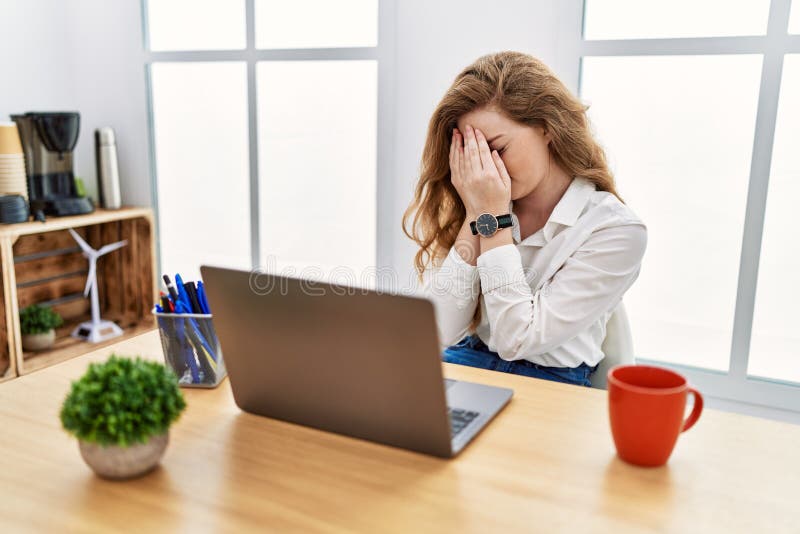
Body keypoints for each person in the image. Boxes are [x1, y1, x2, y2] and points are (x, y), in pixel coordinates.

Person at [402, 51, 647, 387]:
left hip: (550, 382)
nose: (485, 171)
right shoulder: (483, 201)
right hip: (465, 359)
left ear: (547, 127)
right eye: (472, 156)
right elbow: (439, 330)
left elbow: (515, 340)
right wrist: (477, 214)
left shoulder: (615, 229)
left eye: (496, 149)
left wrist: (492, 219)